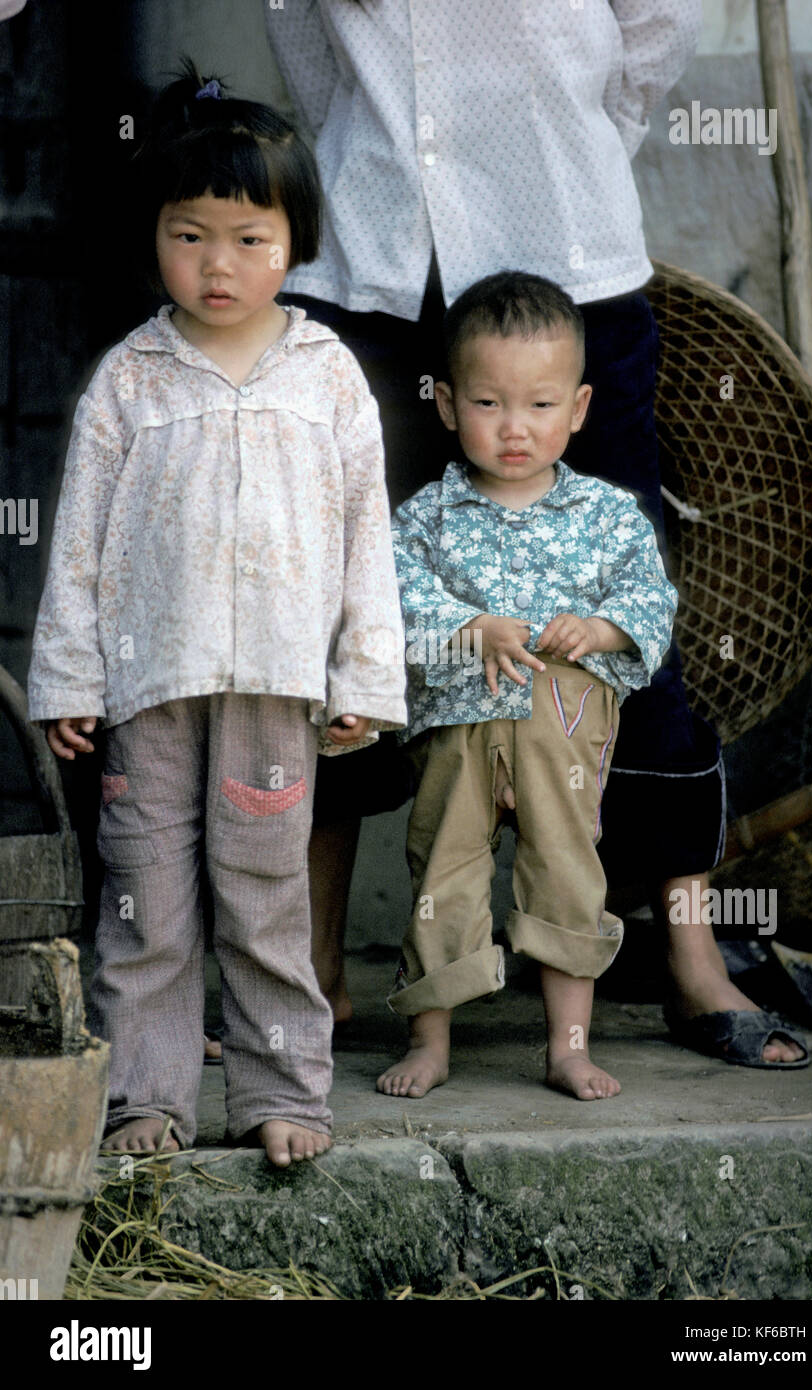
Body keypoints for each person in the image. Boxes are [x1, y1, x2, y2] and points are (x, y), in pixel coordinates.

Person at [267, 0, 808, 1068]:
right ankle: (311, 967)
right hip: (372, 254)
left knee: (624, 590)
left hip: (560, 235)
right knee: (339, 613)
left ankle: (691, 960)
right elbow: (305, 40)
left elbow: (653, 23)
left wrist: (570, 132)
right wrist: (383, 143)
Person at [27, 62, 407, 1166]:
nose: (219, 263)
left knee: (264, 898)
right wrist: (69, 681)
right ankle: (144, 1096)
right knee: (145, 903)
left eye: (249, 236)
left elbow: (361, 537)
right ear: (154, 235)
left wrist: (364, 679)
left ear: (297, 238)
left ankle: (283, 1092)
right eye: (190, 234)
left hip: (277, 691)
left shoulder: (325, 373)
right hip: (149, 690)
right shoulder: (131, 378)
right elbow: (80, 546)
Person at [378, 272, 677, 1099]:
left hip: (562, 733)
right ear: (444, 404)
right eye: (488, 404)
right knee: (443, 876)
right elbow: (392, 611)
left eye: (540, 406)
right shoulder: (425, 520)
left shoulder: (610, 517)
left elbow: (651, 599)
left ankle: (568, 1046)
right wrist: (465, 630)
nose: (515, 429)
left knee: (564, 871)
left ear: (579, 409)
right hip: (459, 734)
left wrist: (605, 629)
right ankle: (430, 1041)